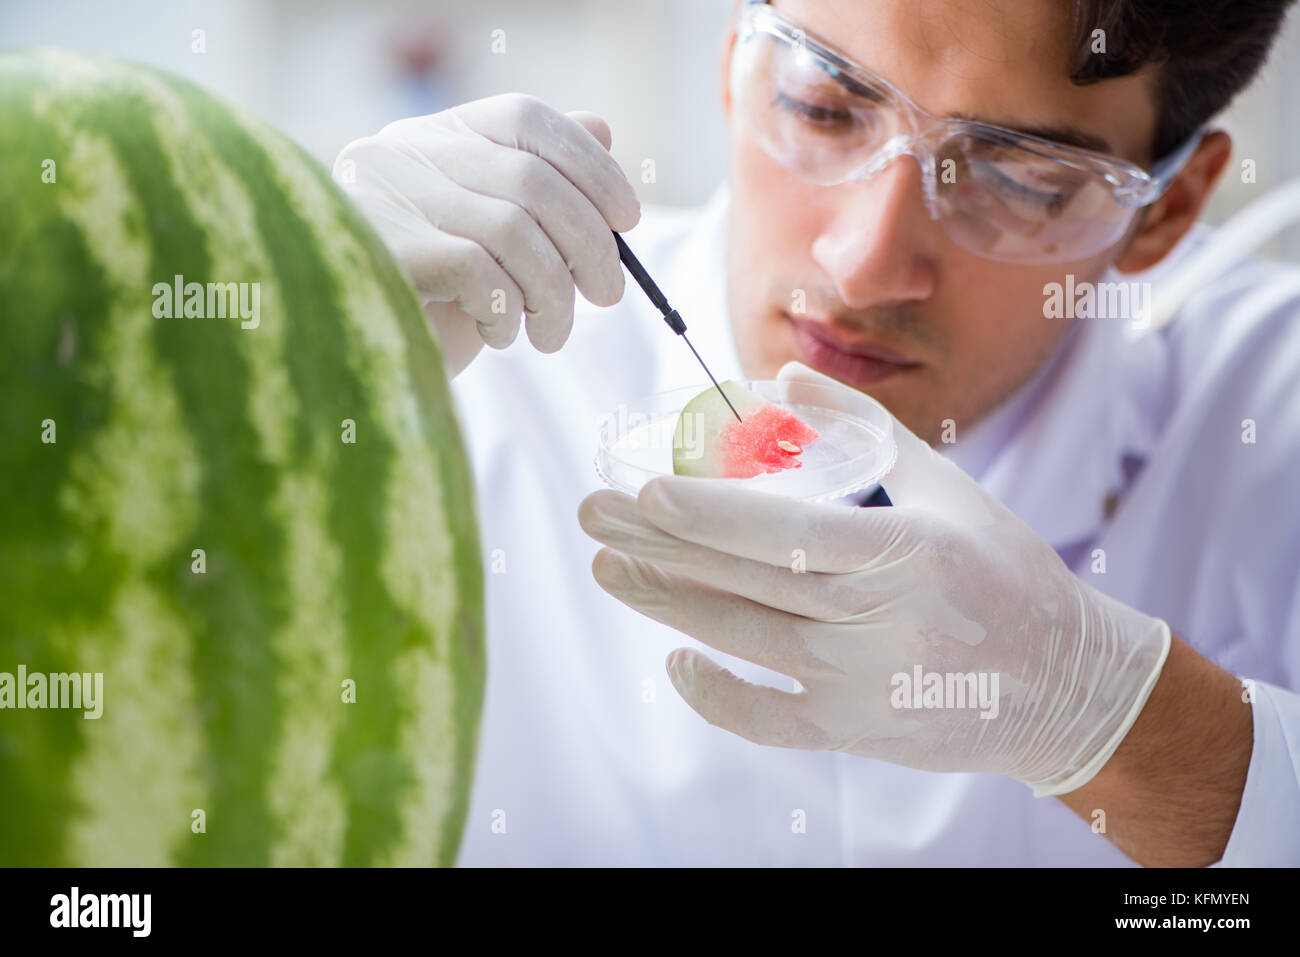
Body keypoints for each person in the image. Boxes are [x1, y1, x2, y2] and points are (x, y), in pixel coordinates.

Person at [334, 0, 1300, 865]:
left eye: (1020, 177)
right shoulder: (477, 361)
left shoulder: (1269, 406)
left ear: (1168, 207)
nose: (863, 264)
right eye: (825, 107)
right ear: (732, 66)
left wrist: (1105, 713)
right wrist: (268, 352)